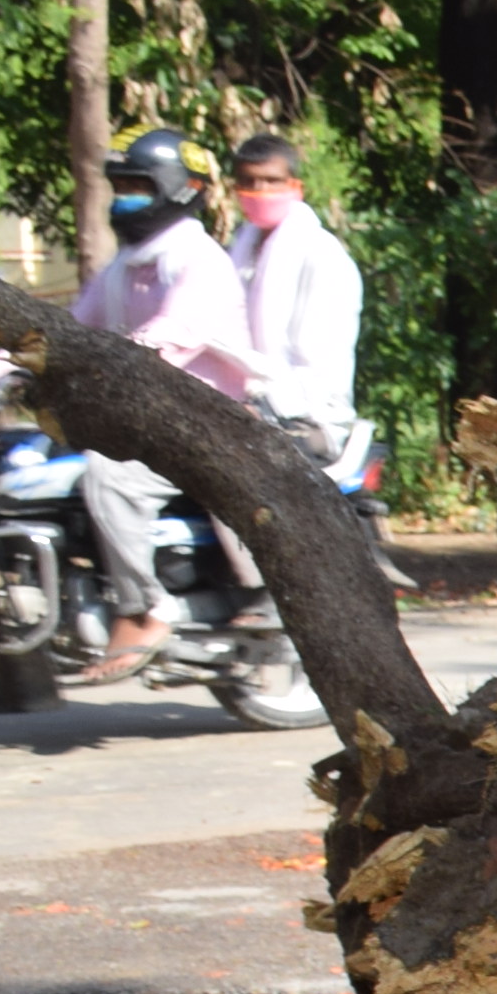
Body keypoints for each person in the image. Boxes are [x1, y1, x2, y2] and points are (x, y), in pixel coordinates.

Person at [63, 128, 256, 682]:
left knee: (110, 477)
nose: (124, 197)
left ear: (178, 190)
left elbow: (168, 335)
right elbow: (73, 325)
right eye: (119, 185)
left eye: (137, 185)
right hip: (145, 421)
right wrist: (0, 362)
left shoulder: (198, 261)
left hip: (205, 422)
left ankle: (145, 608)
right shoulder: (124, 265)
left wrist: (101, 364)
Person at [228, 134, 363, 435]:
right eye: (249, 181)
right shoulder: (239, 250)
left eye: (271, 180)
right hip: (247, 404)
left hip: (309, 415)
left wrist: (280, 403)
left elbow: (322, 354)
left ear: (295, 187)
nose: (259, 190)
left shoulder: (321, 254)